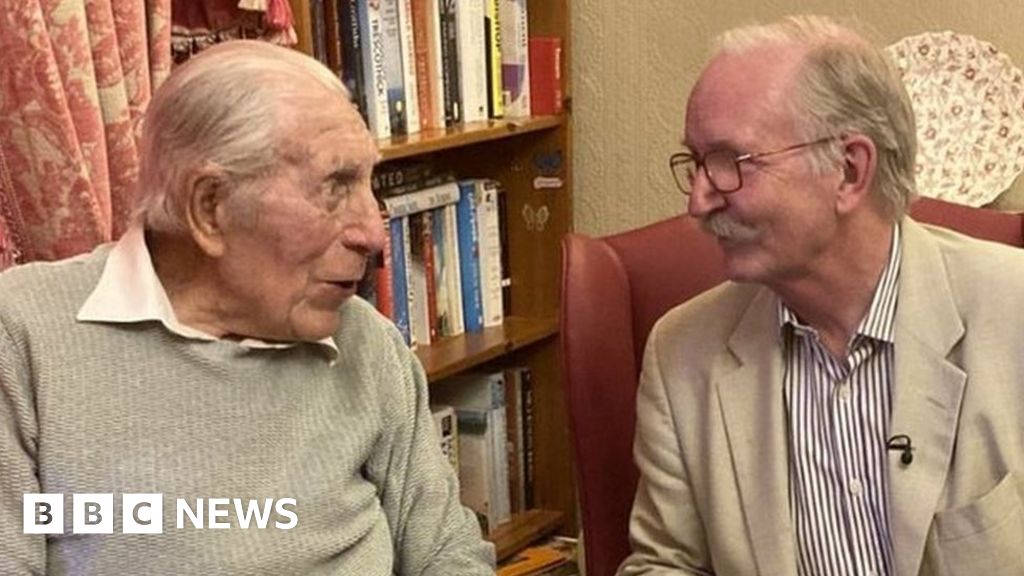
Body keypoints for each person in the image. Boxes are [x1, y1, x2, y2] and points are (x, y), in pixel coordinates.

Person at [0, 40, 494, 574]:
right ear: (209, 207)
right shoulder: (25, 335)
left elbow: (449, 552)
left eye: (368, 183)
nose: (375, 232)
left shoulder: (366, 340)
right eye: (336, 186)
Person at [618, 15, 1024, 576]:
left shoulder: (1013, 310)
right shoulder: (683, 352)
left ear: (850, 170)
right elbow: (664, 564)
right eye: (695, 163)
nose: (698, 201)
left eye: (731, 163)